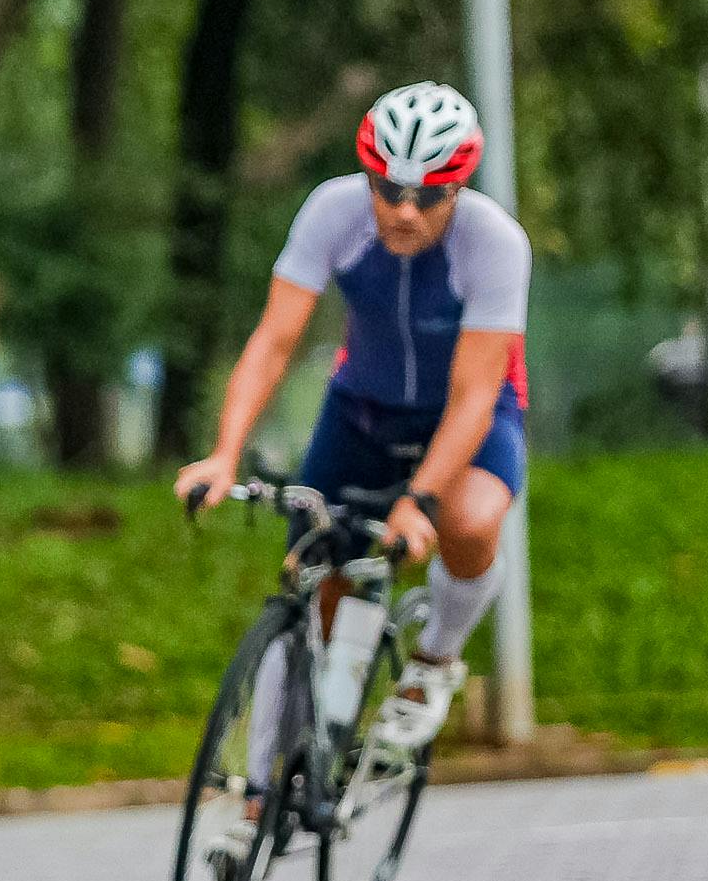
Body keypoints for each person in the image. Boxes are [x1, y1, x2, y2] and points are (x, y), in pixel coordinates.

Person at [174, 82, 532, 787]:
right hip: (361, 411)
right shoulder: (332, 212)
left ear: (458, 188)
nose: (404, 211)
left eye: (428, 196)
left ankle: (434, 661)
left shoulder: (494, 243)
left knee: (469, 520)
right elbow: (275, 341)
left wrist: (419, 501)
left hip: (468, 417)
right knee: (315, 586)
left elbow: (473, 396)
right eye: (387, 189)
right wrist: (224, 454)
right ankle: (266, 792)